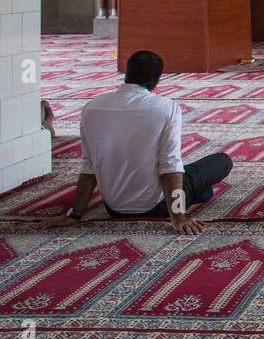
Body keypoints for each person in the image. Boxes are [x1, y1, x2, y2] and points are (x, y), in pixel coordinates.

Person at [40, 50, 232, 236]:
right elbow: (170, 165)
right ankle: (199, 193)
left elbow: (89, 166)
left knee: (192, 178)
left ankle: (200, 192)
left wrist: (75, 214)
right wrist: (179, 217)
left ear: (127, 73)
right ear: (157, 80)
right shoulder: (166, 107)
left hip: (114, 209)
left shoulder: (92, 108)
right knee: (221, 161)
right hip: (159, 207)